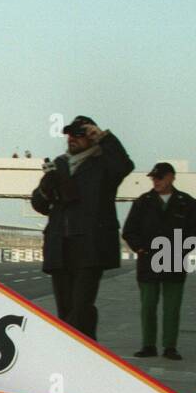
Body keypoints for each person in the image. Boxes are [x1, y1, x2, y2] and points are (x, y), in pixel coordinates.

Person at [31, 115, 133, 339]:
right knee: (65, 311)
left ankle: (84, 353)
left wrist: (103, 136)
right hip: (60, 247)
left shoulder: (104, 166)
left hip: (89, 248)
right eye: (69, 134)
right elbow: (39, 204)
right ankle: (74, 353)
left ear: (91, 137)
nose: (72, 138)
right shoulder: (58, 165)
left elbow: (125, 165)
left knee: (81, 308)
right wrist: (44, 191)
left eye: (79, 134)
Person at [122, 162, 196, 360]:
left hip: (174, 263)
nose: (156, 181)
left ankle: (170, 347)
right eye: (153, 178)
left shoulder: (186, 203)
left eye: (159, 177)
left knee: (172, 308)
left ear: (171, 177)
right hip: (148, 262)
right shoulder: (142, 202)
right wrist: (140, 248)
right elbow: (129, 231)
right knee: (148, 306)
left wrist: (180, 250)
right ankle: (148, 345)